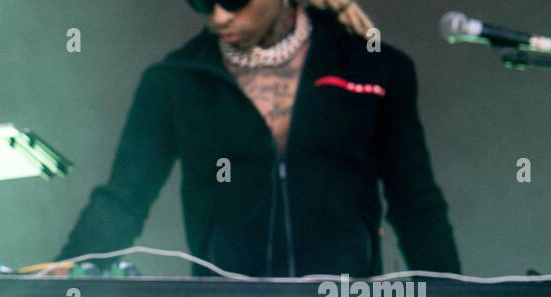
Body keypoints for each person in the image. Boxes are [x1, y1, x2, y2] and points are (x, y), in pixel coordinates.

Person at [55, 0, 461, 277]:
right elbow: (124, 199)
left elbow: (415, 204)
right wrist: (67, 273)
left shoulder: (374, 69)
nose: (217, 17)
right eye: (200, 1)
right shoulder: (172, 82)